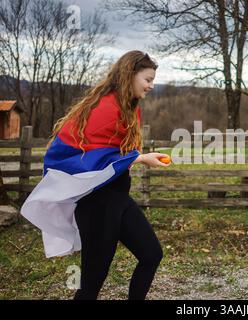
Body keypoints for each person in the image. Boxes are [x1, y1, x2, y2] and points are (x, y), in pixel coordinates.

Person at [21, 51, 170, 300]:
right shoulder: (104, 108)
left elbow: (117, 155)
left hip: (118, 199)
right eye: (147, 79)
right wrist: (140, 158)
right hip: (97, 206)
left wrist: (136, 157)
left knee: (151, 254)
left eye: (153, 80)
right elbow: (91, 160)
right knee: (91, 284)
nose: (151, 86)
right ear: (130, 75)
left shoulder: (128, 108)